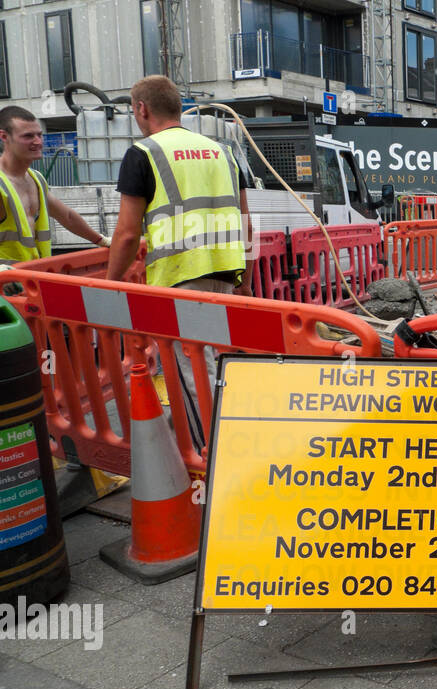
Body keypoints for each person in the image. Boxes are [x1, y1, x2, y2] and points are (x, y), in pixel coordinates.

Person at [104, 75, 250, 449]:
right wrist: (245, 280)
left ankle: (214, 460)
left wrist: (108, 283)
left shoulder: (144, 153)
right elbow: (246, 219)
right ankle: (237, 442)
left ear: (141, 109)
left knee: (192, 377)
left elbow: (125, 234)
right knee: (223, 367)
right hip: (226, 274)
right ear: (179, 106)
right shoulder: (223, 151)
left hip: (180, 279)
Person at [0, 106, 111, 263]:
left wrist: (102, 241)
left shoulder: (36, 179)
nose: (38, 142)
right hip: (6, 282)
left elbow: (67, 216)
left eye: (39, 135)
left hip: (34, 277)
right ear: (4, 136)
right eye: (28, 136)